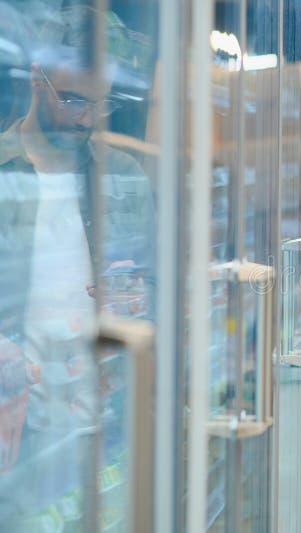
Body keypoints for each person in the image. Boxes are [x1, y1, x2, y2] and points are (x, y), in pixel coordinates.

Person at [0, 6, 154, 525]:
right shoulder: (3, 175)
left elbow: (157, 287)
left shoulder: (126, 176)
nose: (84, 117)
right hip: (18, 436)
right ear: (36, 81)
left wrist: (141, 303)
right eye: (70, 99)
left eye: (98, 103)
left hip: (107, 429)